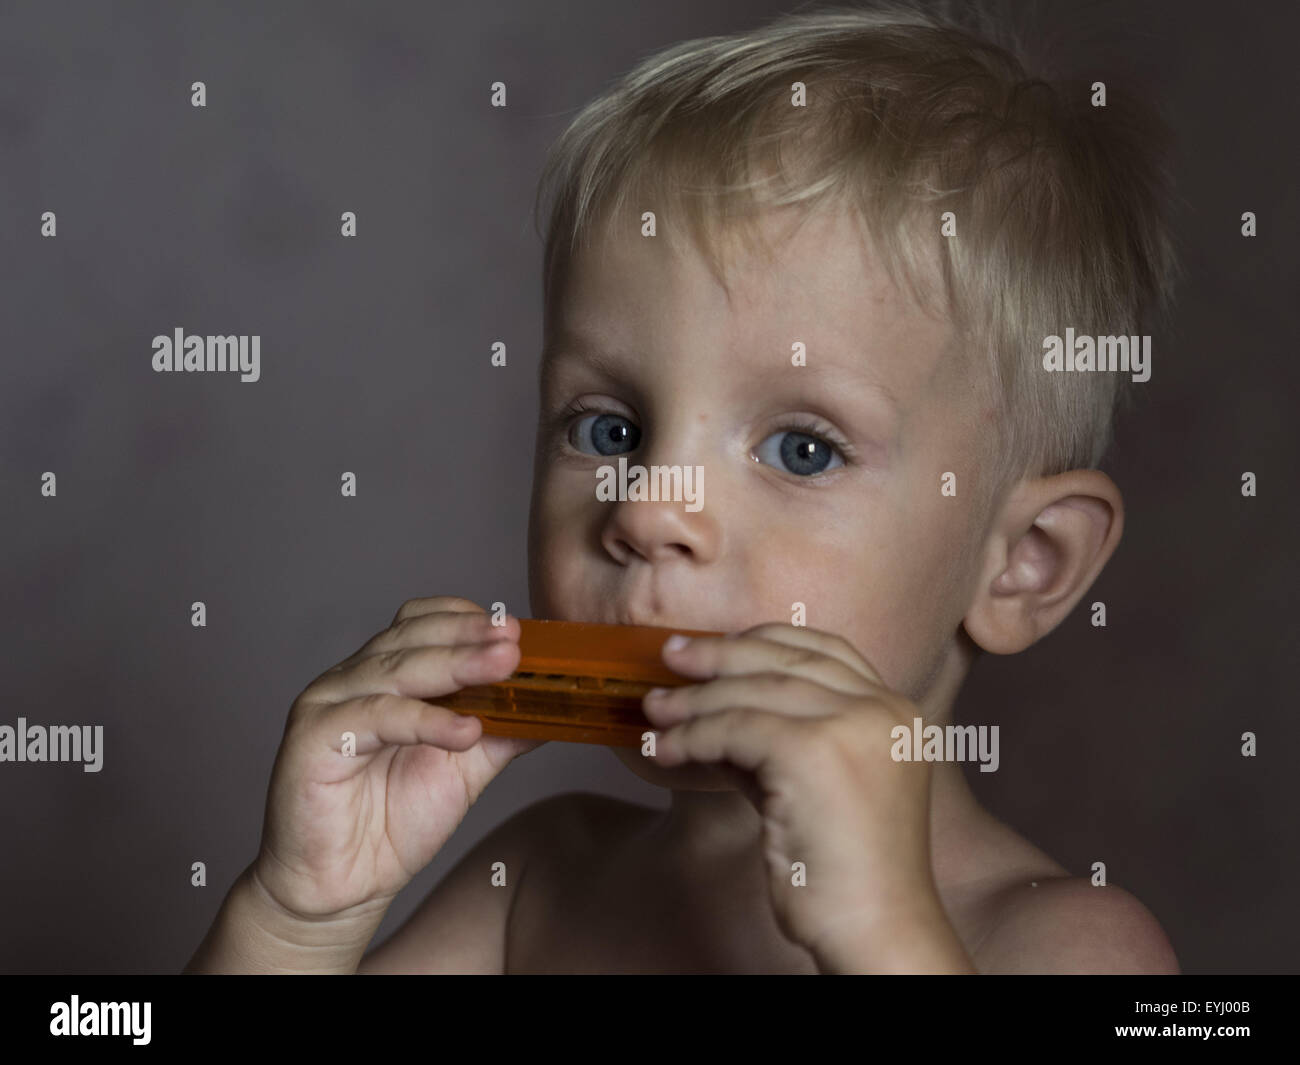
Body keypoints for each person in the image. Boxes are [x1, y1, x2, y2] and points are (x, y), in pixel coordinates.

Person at [187, 2, 1180, 974]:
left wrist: (883, 940)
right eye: (608, 429)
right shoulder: (535, 887)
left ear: (1023, 565)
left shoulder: (1064, 944)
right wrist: (297, 916)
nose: (645, 509)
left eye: (802, 449)